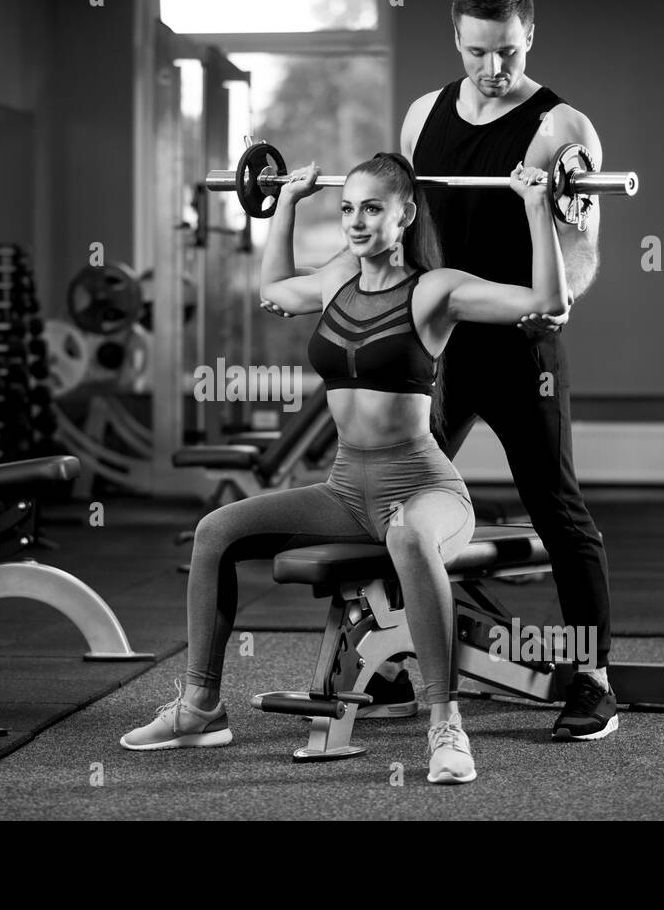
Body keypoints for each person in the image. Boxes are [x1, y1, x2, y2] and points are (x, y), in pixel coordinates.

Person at [121, 152, 567, 784]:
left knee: (410, 536)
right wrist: (287, 204)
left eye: (373, 208)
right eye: (348, 208)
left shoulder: (434, 289)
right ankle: (200, 707)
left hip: (424, 488)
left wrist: (535, 205)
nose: (357, 222)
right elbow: (273, 290)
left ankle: (446, 726)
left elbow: (548, 299)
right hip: (345, 490)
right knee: (216, 531)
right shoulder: (336, 279)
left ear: (406, 213)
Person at [328, 0, 617, 742]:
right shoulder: (423, 115)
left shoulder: (565, 132)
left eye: (510, 53)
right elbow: (411, 234)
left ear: (531, 40)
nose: (495, 70)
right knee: (382, 495)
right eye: (480, 53)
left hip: (523, 345)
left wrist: (560, 298)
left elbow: (581, 254)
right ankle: (390, 656)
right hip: (439, 344)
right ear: (457, 39)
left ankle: (592, 680)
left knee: (558, 509)